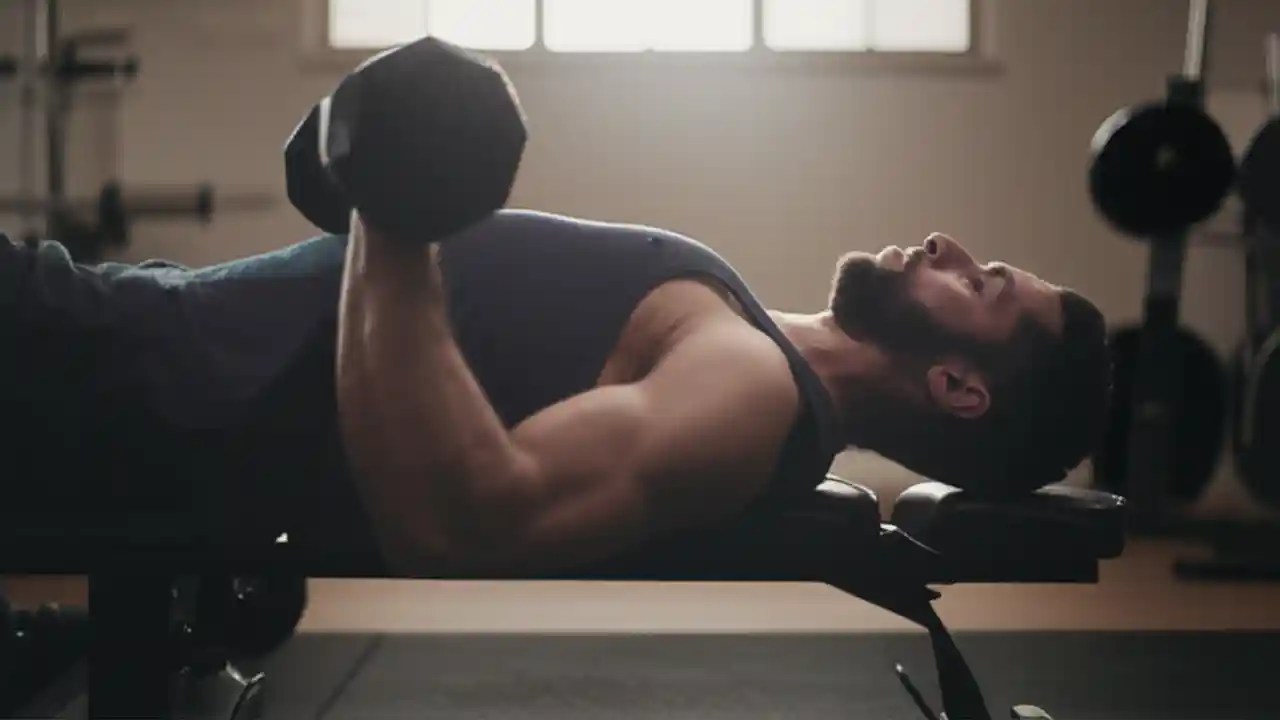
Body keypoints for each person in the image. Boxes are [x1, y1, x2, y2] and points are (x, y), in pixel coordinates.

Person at [0, 208, 1110, 576]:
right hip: (132, 337)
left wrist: (392, 212)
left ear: (959, 387)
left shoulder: (743, 392)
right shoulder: (742, 341)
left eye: (984, 284)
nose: (950, 245)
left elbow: (470, 516)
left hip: (110, 381)